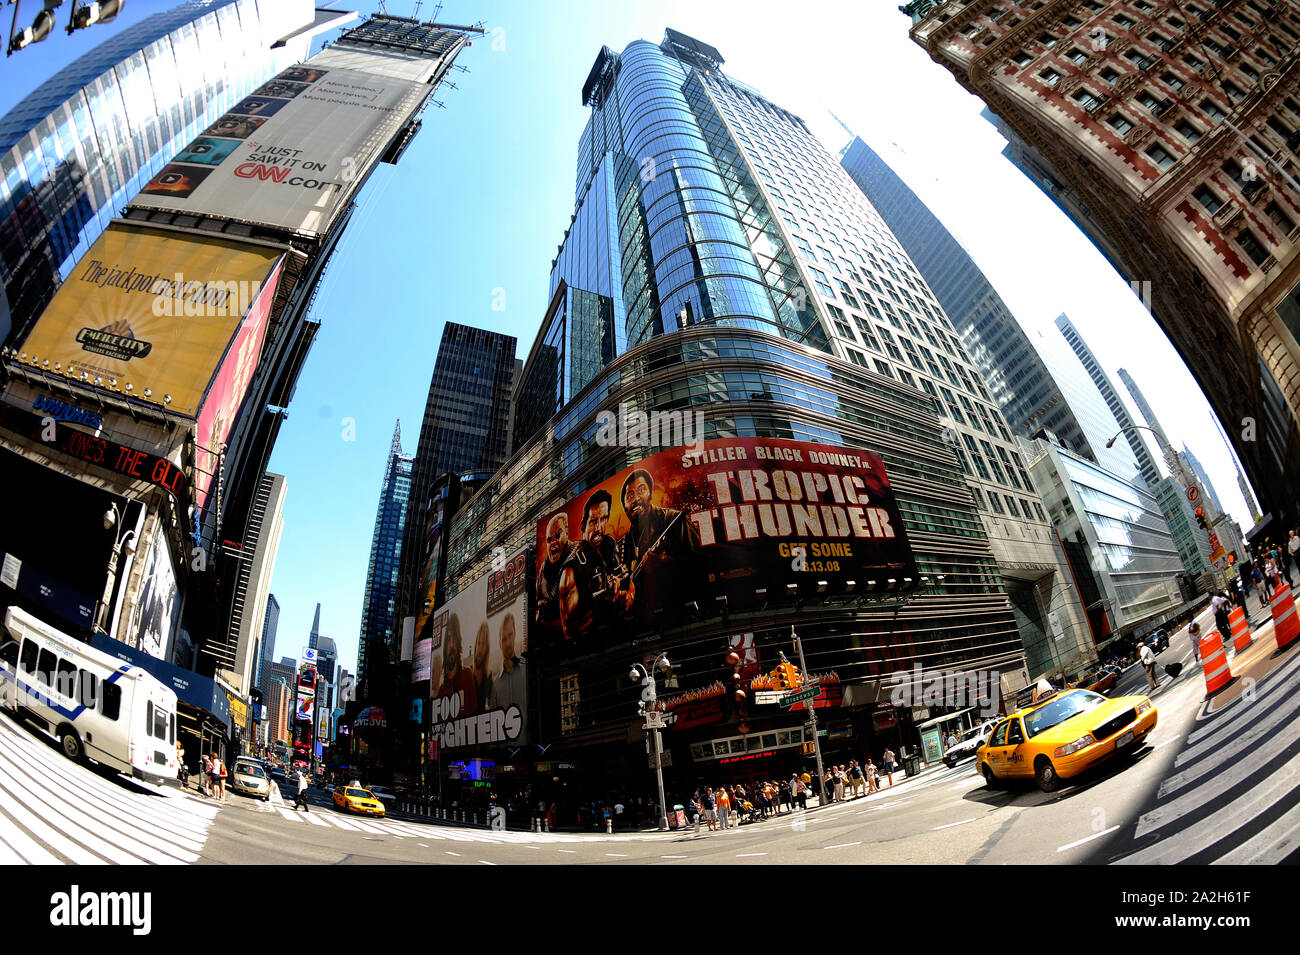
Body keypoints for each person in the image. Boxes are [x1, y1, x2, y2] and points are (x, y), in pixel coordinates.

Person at [557, 490, 634, 640]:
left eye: (604, 518)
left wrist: (627, 597)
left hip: (625, 637)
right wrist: (604, 606)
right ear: (583, 526)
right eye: (593, 521)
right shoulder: (571, 570)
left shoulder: (609, 544)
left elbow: (629, 583)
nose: (599, 528)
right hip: (591, 650)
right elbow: (568, 631)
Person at [536, 513, 576, 635]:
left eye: (558, 535)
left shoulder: (578, 553)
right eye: (549, 539)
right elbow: (537, 605)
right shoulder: (543, 570)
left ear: (567, 533)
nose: (553, 542)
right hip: (550, 638)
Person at [435, 612, 478, 716]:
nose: (452, 645)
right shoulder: (441, 690)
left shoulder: (467, 675)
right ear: (445, 646)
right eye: (449, 639)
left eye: (455, 638)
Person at [487, 612, 526, 714]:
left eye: (510, 635)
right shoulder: (495, 683)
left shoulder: (526, 669)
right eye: (504, 639)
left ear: (515, 634)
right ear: (499, 643)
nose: (508, 643)